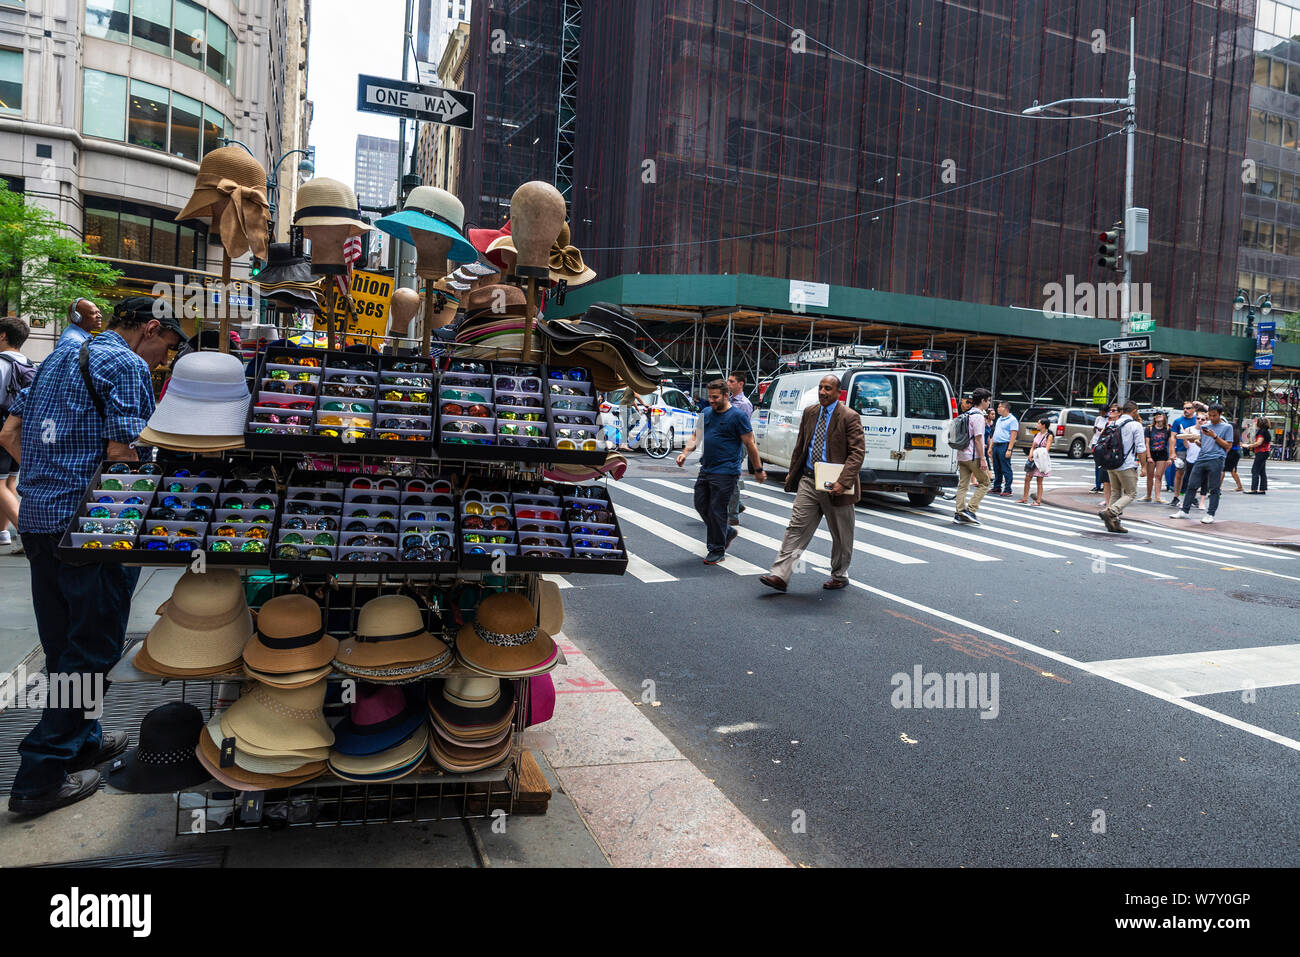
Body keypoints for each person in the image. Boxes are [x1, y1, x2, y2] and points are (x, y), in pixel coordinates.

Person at [0, 296, 184, 817]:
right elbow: (123, 451)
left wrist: (52, 479)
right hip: (92, 529)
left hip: (38, 518)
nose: (161, 361)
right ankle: (41, 773)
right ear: (150, 328)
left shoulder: (62, 353)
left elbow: (8, 433)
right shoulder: (124, 363)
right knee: (94, 649)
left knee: (64, 646)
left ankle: (83, 740)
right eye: (164, 349)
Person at [759, 374, 866, 591]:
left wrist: (843, 482)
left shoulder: (849, 416)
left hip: (836, 485)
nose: (823, 392)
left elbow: (857, 453)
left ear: (838, 393)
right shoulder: (810, 413)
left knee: (842, 535)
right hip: (809, 479)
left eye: (828, 389)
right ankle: (780, 574)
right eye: (821, 388)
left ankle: (839, 574)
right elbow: (801, 445)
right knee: (797, 527)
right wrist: (792, 473)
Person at [675, 378, 766, 564]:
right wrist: (684, 453)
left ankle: (717, 549)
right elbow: (696, 436)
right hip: (707, 468)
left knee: (717, 509)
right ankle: (727, 531)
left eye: (716, 397)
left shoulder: (738, 416)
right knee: (701, 504)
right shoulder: (706, 413)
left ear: (726, 396)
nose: (712, 401)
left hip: (727, 471)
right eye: (710, 397)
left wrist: (758, 469)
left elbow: (750, 443)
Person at [0, 316, 35, 550]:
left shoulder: (1, 364)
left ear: (3, 336)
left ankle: (28, 532)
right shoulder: (30, 364)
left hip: (2, 429)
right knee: (9, 481)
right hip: (21, 430)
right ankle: (2, 532)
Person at [1171, 403, 1233, 524]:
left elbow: (1228, 446)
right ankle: (1184, 511)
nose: (1211, 418)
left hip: (1216, 459)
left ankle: (1210, 514)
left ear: (1220, 414)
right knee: (1191, 485)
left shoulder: (1227, 427)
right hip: (1201, 458)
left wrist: (1214, 436)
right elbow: (1203, 443)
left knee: (1214, 488)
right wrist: (1194, 441)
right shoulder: (1206, 426)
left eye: (1214, 415)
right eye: (1210, 415)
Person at [1099, 399, 1150, 533]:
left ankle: (1114, 523)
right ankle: (1111, 512)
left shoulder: (1114, 423)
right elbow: (1141, 448)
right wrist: (1144, 467)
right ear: (1134, 411)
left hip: (1111, 463)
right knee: (1131, 493)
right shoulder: (1135, 425)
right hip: (1126, 464)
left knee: (1116, 492)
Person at [953, 388, 992, 525]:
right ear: (982, 401)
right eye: (988, 401)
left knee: (963, 485)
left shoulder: (967, 414)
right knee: (985, 482)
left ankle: (959, 513)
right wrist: (983, 459)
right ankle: (971, 510)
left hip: (961, 454)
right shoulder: (978, 417)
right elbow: (978, 439)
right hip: (973, 455)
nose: (988, 404)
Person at [725, 370, 753, 527]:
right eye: (728, 381)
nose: (728, 384)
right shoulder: (730, 400)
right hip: (728, 445)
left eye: (731, 381)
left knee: (732, 479)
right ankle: (738, 504)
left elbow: (743, 430)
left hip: (738, 445)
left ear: (740, 384)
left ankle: (733, 515)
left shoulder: (743, 404)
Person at [1170, 400, 1202, 507]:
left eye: (1188, 408)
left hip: (1195, 449)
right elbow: (1172, 437)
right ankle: (1176, 496)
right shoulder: (1178, 421)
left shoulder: (1198, 420)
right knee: (1179, 473)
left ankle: (1193, 497)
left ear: (1194, 409)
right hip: (1181, 449)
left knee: (1194, 474)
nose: (1185, 410)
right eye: (1184, 408)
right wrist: (1172, 452)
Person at [1017, 417, 1053, 505]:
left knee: (1039, 481)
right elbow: (1033, 446)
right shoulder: (1036, 434)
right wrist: (1030, 455)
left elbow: (1046, 449)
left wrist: (1035, 454)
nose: (1037, 425)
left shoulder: (1049, 435)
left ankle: (1038, 501)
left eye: (1038, 424)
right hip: (1033, 459)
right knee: (1027, 478)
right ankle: (1024, 498)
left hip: (1041, 460)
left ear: (1043, 425)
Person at [990, 400, 1019, 496]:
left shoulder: (1012, 420)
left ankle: (1007, 489)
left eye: (999, 407)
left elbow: (1013, 435)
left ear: (1005, 408)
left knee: (1005, 467)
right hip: (996, 445)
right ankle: (997, 487)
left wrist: (1009, 449)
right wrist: (991, 447)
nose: (998, 409)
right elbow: (995, 433)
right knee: (996, 467)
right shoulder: (999, 419)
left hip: (1005, 445)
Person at [1144, 411, 1172, 504]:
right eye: (1156, 415)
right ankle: (1148, 496)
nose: (1158, 417)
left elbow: (1170, 443)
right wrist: (1148, 456)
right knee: (1150, 475)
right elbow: (1147, 444)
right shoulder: (1149, 429)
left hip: (1162, 454)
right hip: (1151, 453)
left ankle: (1157, 496)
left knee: (1159, 476)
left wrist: (1170, 457)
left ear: (1164, 417)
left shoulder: (1167, 429)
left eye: (1160, 415)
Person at [1089, 404, 1117, 496]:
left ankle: (1105, 485)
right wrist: (1095, 429)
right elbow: (1094, 431)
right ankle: (1098, 485)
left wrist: (1102, 429)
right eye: (1100, 411)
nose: (1101, 413)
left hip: (1105, 443)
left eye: (1103, 412)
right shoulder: (1098, 418)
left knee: (1104, 466)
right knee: (1097, 465)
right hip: (1096, 441)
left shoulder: (1110, 419)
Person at [1246, 416, 1271, 494]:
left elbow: (1259, 443)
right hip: (1265, 452)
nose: (1255, 423)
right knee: (1262, 471)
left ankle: (1253, 489)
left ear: (1260, 423)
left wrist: (1249, 446)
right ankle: (1262, 489)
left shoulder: (1261, 432)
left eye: (1256, 421)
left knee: (1255, 470)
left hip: (1261, 452)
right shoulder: (1266, 431)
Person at [1225, 418, 1245, 493]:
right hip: (1236, 453)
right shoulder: (1237, 434)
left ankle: (1218, 486)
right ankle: (1239, 486)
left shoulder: (1230, 435)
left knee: (1223, 470)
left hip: (1230, 452)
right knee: (1233, 471)